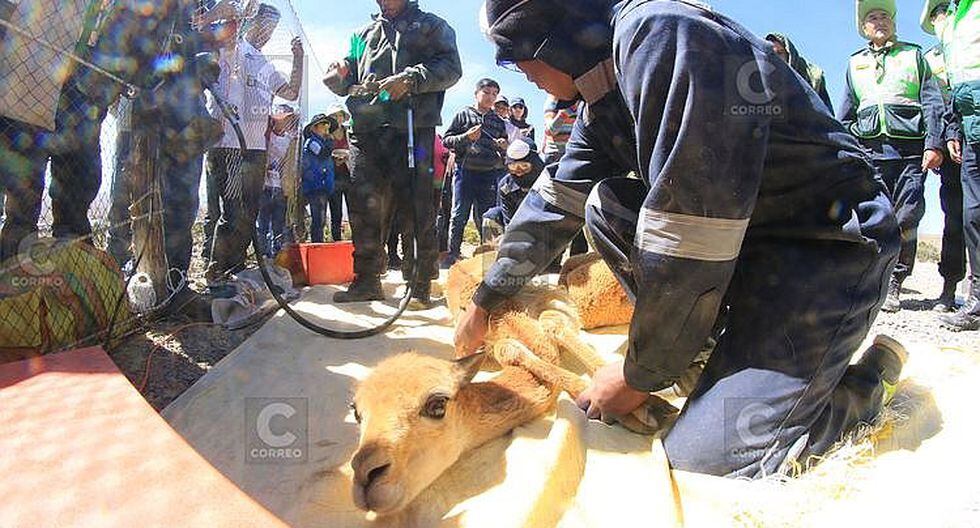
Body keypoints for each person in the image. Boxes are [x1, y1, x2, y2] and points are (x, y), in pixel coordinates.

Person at [459, 0, 903, 478]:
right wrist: (485, 300)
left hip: (825, 253)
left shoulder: (663, 37)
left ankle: (869, 379)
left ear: (553, 37)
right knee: (604, 204)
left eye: (515, 56)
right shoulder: (605, 94)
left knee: (707, 461)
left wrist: (638, 374)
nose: (521, 73)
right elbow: (552, 204)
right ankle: (709, 356)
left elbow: (689, 233)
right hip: (752, 254)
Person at [324, 0, 461, 304]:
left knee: (415, 206)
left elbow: (451, 67)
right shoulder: (362, 35)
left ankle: (418, 283)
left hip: (412, 128)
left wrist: (413, 79)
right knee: (363, 207)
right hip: (366, 130)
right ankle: (367, 280)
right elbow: (351, 70)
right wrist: (339, 76)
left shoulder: (432, 25)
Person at [838, 0, 946, 313]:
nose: (879, 20)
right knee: (872, 218)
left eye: (884, 15)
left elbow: (932, 102)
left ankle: (896, 280)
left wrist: (934, 143)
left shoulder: (913, 54)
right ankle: (870, 280)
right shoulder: (854, 63)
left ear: (894, 24)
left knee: (907, 217)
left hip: (911, 153)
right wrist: (846, 152)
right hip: (870, 153)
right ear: (864, 28)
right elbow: (845, 114)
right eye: (873, 17)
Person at [201, 2, 304, 281]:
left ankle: (233, 269)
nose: (266, 33)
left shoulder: (262, 62)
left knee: (249, 213)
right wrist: (240, 13)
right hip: (229, 145)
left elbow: (291, 92)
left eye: (271, 29)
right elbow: (225, 19)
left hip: (256, 149)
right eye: (263, 25)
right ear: (249, 22)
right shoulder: (230, 48)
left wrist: (298, 59)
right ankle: (217, 269)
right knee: (233, 211)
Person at [937, 0, 980, 331]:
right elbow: (955, 85)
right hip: (969, 131)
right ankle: (977, 298)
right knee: (972, 214)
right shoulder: (954, 20)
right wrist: (952, 129)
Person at [922, 0, 966, 313]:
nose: (942, 18)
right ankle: (950, 287)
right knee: (955, 216)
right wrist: (937, 142)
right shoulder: (929, 60)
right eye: (936, 15)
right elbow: (933, 108)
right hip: (951, 146)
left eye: (946, 12)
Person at [441, 78, 509, 267]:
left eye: (494, 94)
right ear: (476, 93)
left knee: (487, 217)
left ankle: (486, 257)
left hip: (488, 174)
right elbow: (446, 140)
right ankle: (452, 254)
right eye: (487, 92)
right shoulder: (463, 114)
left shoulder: (498, 120)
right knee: (459, 214)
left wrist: (504, 145)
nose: (491, 97)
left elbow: (505, 145)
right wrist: (466, 137)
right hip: (465, 172)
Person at [482, 137, 544, 241]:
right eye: (513, 167)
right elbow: (508, 218)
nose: (518, 172)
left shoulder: (548, 181)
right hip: (517, 226)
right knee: (491, 216)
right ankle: (494, 255)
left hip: (544, 228)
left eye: (524, 166)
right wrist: (508, 238)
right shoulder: (505, 187)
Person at [257, 106, 298, 258]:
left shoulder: (292, 141)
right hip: (265, 186)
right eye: (280, 119)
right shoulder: (264, 137)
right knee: (262, 225)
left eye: (286, 119)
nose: (283, 122)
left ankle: (276, 257)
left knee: (278, 225)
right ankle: (262, 256)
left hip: (282, 187)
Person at [764, 33, 835, 114]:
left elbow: (828, 116)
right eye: (772, 54)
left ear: (788, 55)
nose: (776, 58)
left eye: (780, 53)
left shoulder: (811, 77)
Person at [301, 113, 337, 244]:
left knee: (321, 219)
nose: (326, 128)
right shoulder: (311, 142)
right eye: (323, 125)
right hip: (315, 186)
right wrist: (330, 141)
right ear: (314, 128)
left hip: (323, 185)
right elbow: (322, 154)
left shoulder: (321, 142)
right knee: (318, 219)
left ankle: (319, 242)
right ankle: (317, 243)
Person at [326, 105, 352, 243]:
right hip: (333, 177)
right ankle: (336, 242)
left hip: (349, 176)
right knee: (336, 212)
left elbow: (355, 151)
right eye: (334, 116)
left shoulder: (349, 132)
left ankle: (355, 242)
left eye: (339, 115)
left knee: (353, 210)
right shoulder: (326, 135)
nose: (337, 118)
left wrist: (346, 157)